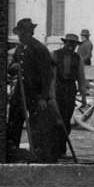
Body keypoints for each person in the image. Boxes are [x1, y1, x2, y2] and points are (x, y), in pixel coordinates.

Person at [5, 18, 56, 162]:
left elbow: (47, 75)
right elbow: (11, 68)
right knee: (14, 121)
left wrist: (43, 97)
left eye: (22, 33)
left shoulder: (40, 49)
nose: (20, 36)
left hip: (35, 94)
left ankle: (38, 155)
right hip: (20, 93)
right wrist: (13, 67)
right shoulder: (20, 48)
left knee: (36, 126)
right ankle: (12, 151)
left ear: (29, 33)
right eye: (19, 33)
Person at [50, 33, 89, 159]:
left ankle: (62, 149)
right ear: (65, 43)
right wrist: (52, 94)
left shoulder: (78, 58)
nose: (71, 46)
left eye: (74, 44)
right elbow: (52, 76)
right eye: (69, 43)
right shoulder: (55, 55)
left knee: (66, 120)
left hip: (70, 90)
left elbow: (81, 78)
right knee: (56, 119)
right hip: (57, 89)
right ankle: (54, 149)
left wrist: (83, 97)